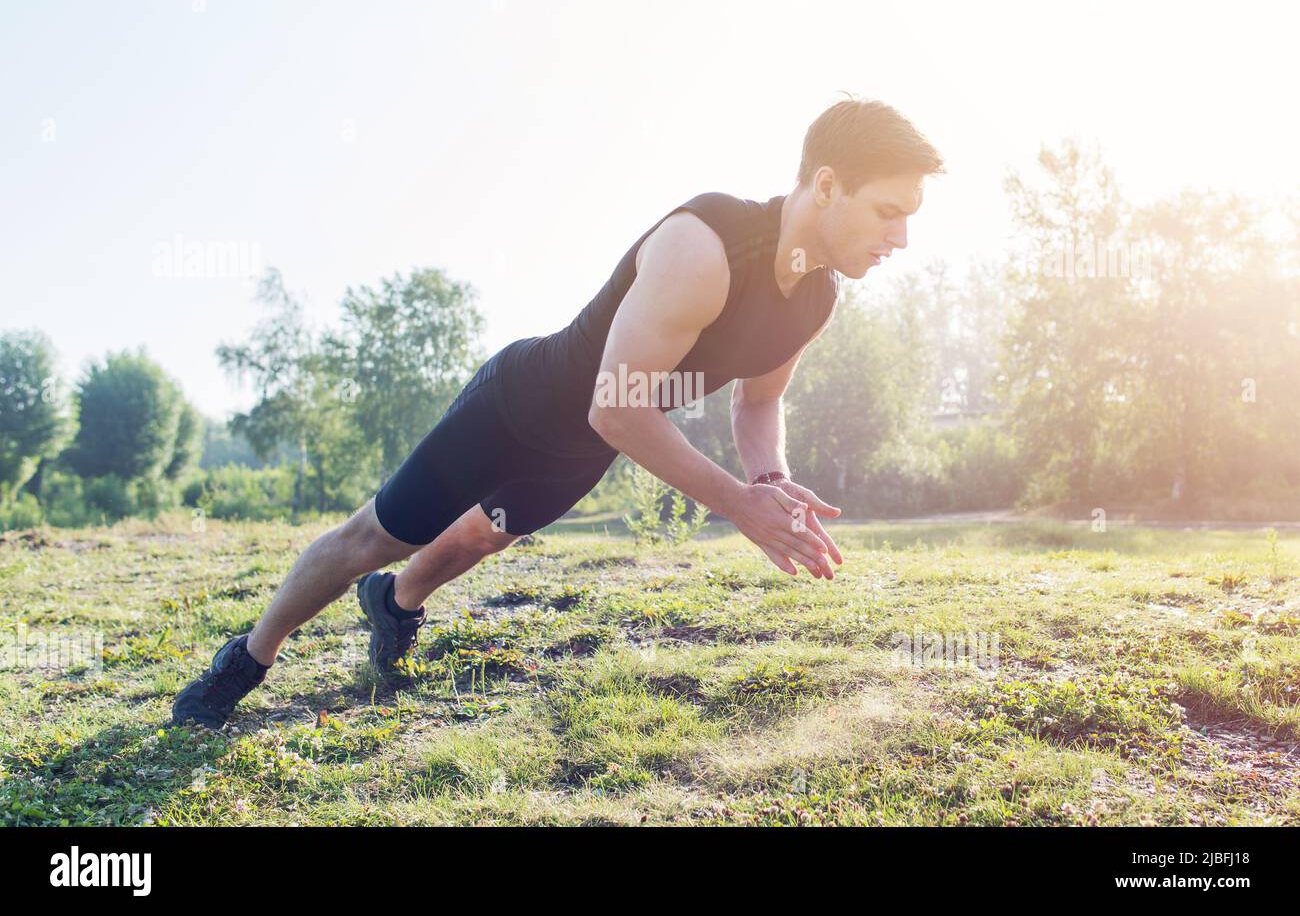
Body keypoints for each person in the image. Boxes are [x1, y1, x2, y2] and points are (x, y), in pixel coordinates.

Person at [171, 95, 944, 729]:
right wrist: (738, 504)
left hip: (580, 451)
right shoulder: (704, 247)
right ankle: (248, 656)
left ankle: (395, 605)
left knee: (481, 536)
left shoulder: (814, 297)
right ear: (829, 185)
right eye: (888, 210)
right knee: (372, 536)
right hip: (517, 405)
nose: (900, 237)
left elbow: (760, 398)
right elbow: (617, 407)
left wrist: (769, 478)